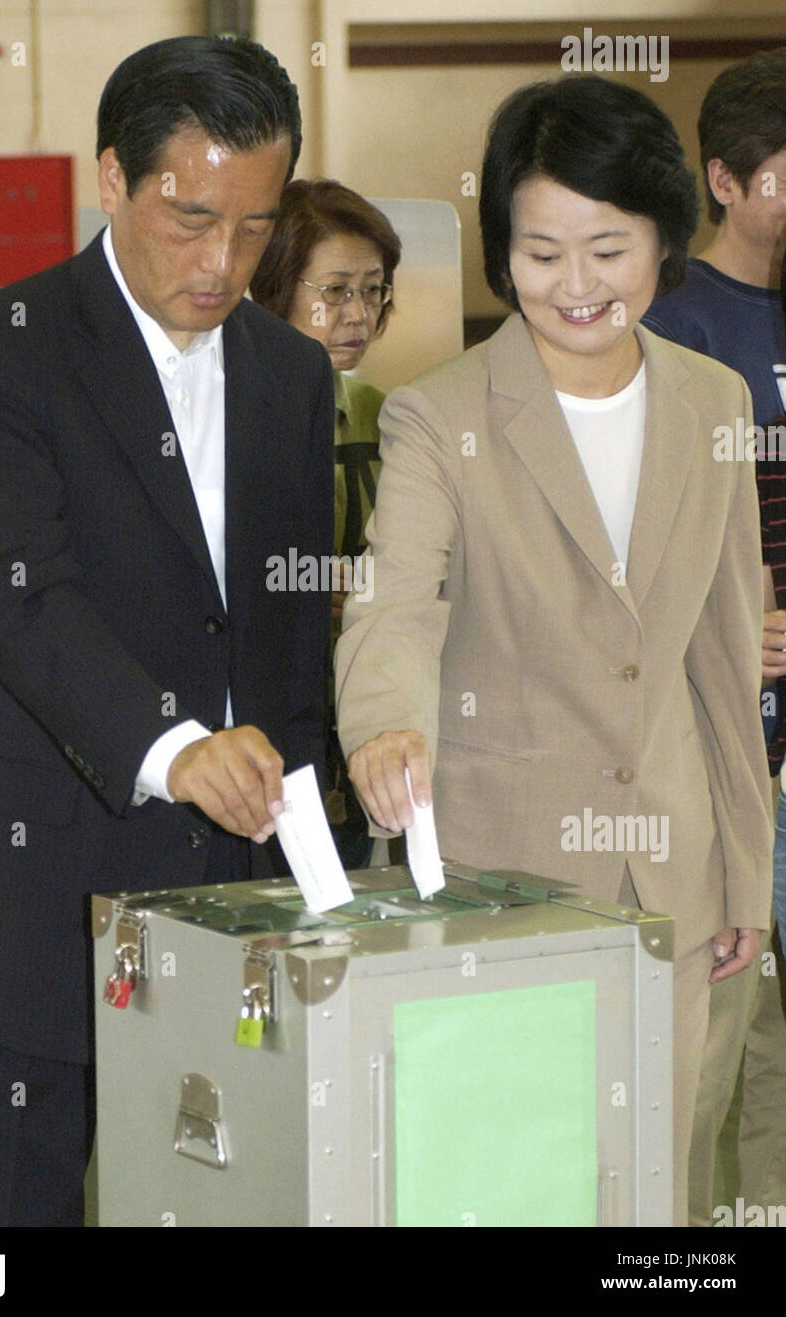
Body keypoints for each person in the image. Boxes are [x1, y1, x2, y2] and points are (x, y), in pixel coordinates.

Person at [0, 35, 333, 1226]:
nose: (221, 263)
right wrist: (175, 748)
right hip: (27, 886)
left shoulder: (289, 374)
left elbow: (283, 627)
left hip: (230, 895)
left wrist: (327, 850)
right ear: (112, 179)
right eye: (191, 217)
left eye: (257, 226)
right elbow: (22, 600)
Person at [335, 75, 772, 1226]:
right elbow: (394, 599)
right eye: (539, 254)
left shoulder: (713, 398)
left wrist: (744, 872)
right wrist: (385, 723)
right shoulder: (438, 413)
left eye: (604, 249)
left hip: (670, 878)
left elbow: (726, 653)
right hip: (502, 880)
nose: (573, 287)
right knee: (506, 1191)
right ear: (501, 255)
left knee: (650, 1198)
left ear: (662, 242)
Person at [642, 48, 786, 1226]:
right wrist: (733, 623)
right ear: (725, 181)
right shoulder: (674, 327)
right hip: (724, 744)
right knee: (707, 1039)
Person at [250, 179, 401, 867]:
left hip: (359, 729)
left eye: (372, 290)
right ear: (271, 287)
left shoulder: (388, 414)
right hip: (254, 733)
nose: (358, 314)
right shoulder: (228, 417)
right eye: (334, 290)